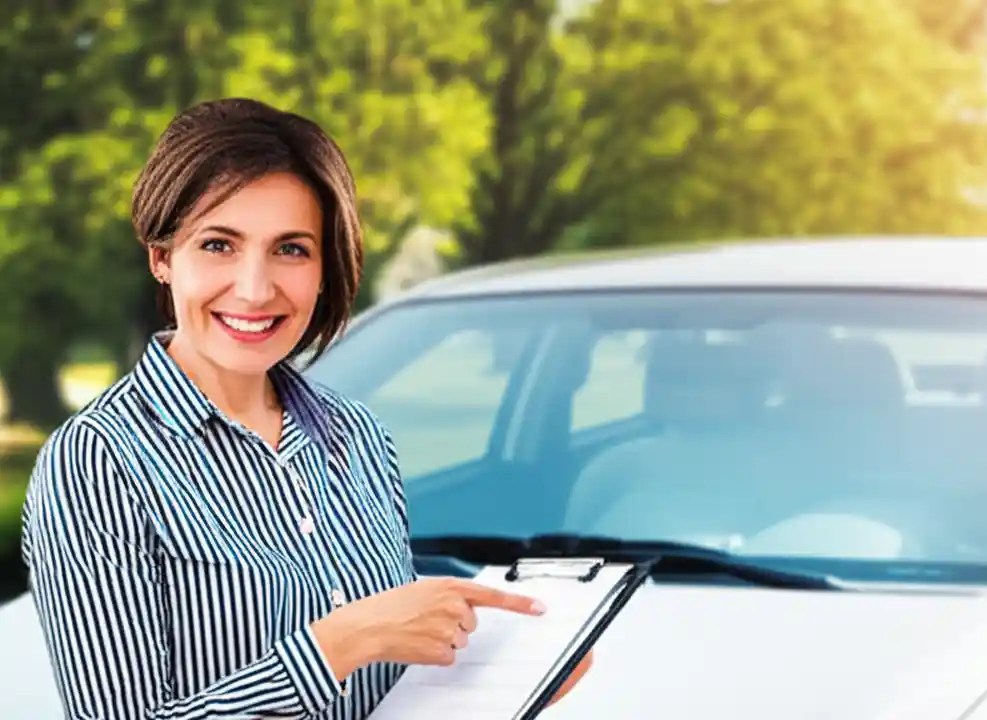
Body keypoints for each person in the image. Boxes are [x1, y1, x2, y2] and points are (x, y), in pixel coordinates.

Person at [21, 98, 591, 719]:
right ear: (162, 258)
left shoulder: (359, 436)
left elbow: (391, 685)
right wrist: (340, 644)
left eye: (291, 249)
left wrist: (510, 676)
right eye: (218, 244)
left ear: (324, 268)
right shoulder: (95, 461)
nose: (255, 289)